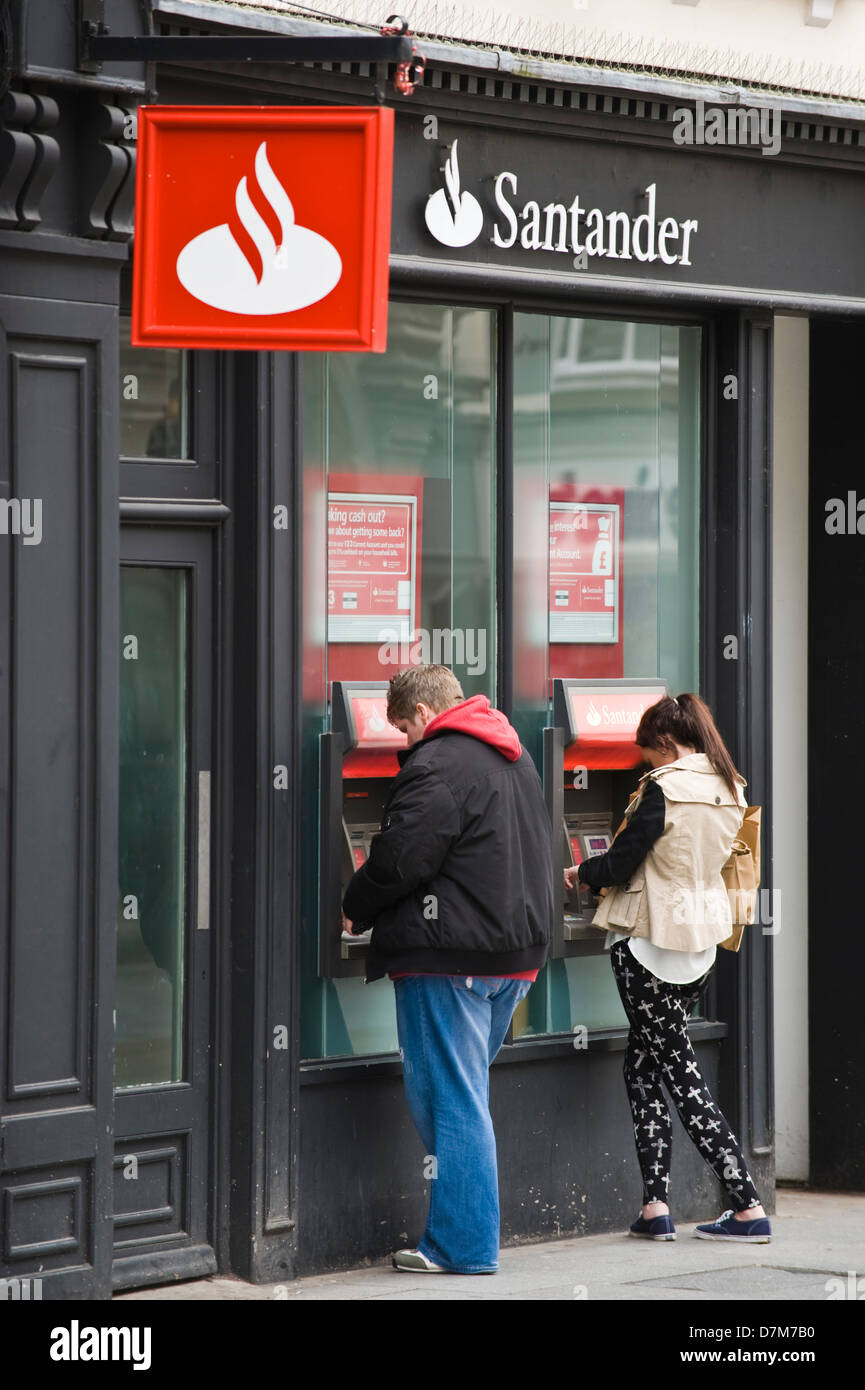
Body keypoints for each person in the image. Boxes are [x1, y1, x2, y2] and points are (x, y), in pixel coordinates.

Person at [342, 664, 552, 1274]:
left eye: (405, 728)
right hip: (511, 958)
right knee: (466, 1096)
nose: (406, 742)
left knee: (451, 1100)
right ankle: (465, 1236)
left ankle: (460, 1246)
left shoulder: (436, 763)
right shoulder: (513, 755)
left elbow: (402, 857)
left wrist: (355, 906)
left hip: (451, 957)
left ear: (426, 714)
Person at [565, 692, 771, 1244]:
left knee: (680, 1073)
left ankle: (747, 1204)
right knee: (643, 1065)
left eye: (649, 754)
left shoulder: (663, 788)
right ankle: (655, 1205)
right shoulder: (732, 788)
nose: (647, 765)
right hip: (700, 944)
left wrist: (582, 872)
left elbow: (623, 859)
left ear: (664, 743)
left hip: (648, 943)